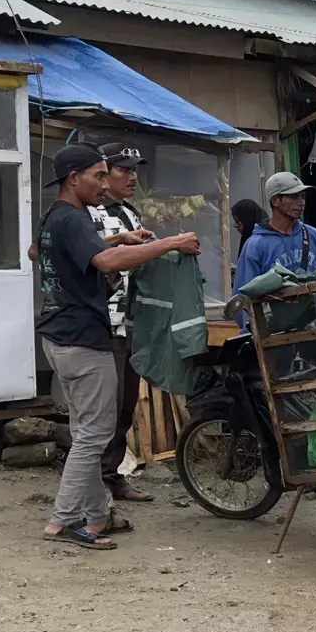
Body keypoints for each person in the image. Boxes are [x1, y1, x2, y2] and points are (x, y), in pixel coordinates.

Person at [37, 144, 198, 549]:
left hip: (58, 336)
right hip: (84, 339)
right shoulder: (74, 218)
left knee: (86, 430)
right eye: (98, 175)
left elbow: (40, 252)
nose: (104, 182)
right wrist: (169, 244)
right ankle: (64, 521)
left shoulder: (54, 217)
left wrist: (119, 238)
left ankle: (97, 514)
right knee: (93, 435)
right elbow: (107, 265)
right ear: (75, 178)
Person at [88, 142, 157, 503]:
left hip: (132, 322)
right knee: (107, 408)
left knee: (127, 405)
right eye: (123, 170)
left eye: (134, 171)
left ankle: (113, 477)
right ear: (103, 173)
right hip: (104, 323)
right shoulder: (90, 213)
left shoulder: (130, 212)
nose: (131, 177)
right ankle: (94, 483)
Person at [235, 172, 316, 297]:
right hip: (274, 316)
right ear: (275, 200)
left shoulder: (314, 236)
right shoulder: (256, 245)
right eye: (294, 196)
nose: (301, 202)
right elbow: (243, 296)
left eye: (303, 196)